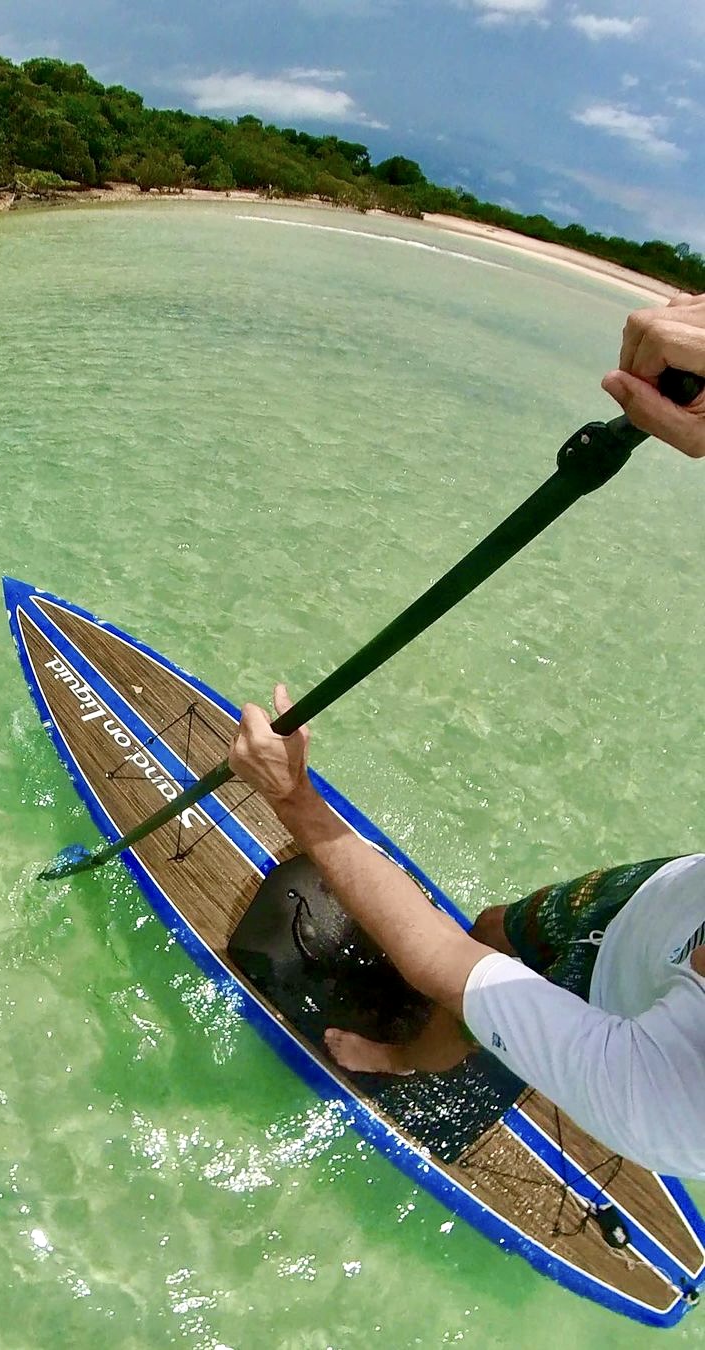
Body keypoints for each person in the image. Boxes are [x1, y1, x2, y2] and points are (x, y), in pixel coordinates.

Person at [228, 293, 705, 1178]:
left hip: (620, 1000)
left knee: (472, 984)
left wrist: (292, 796)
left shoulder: (671, 1102)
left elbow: (441, 960)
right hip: (651, 902)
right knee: (497, 926)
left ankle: (415, 1059)